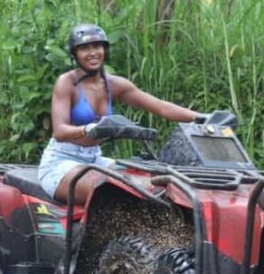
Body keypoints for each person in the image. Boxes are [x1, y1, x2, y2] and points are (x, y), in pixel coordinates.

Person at [38, 23, 199, 204]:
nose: (92, 53)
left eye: (97, 46)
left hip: (95, 158)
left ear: (105, 50)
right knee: (113, 188)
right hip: (62, 162)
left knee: (158, 181)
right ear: (74, 54)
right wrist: (91, 128)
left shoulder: (114, 85)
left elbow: (162, 107)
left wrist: (202, 118)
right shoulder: (66, 83)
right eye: (84, 48)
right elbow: (60, 132)